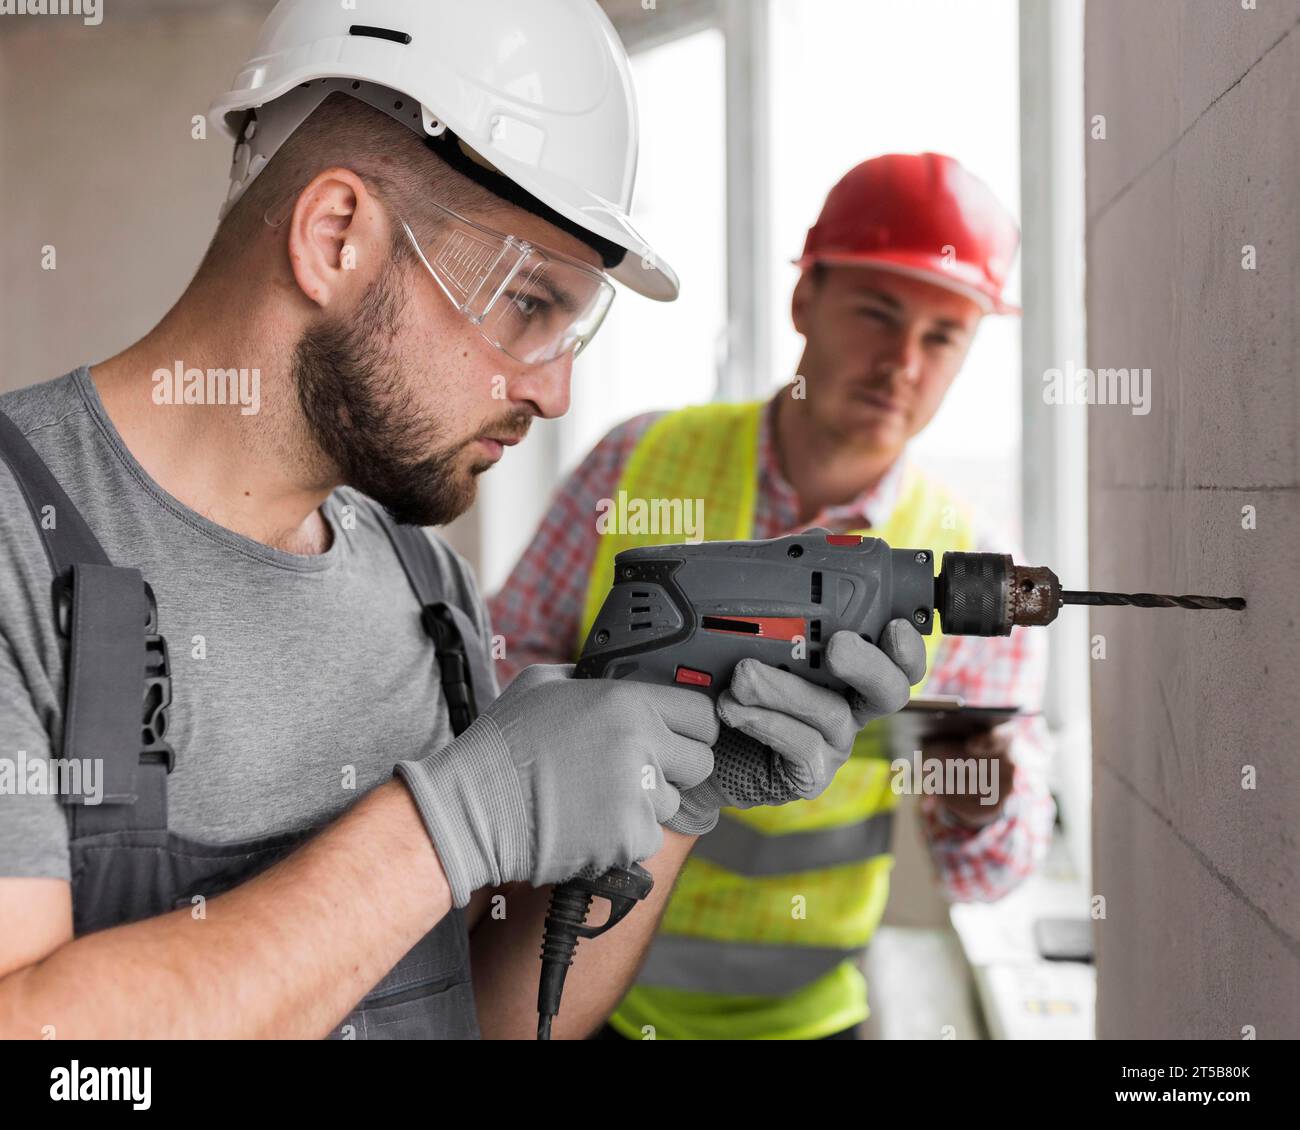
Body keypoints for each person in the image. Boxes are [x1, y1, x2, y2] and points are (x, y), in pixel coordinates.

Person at [0, 1, 924, 1040]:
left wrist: (675, 792)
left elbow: (483, 1009)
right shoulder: (15, 548)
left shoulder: (425, 589)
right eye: (529, 303)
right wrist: (448, 823)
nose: (556, 391)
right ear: (336, 236)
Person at [491, 152, 1057, 1041]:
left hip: (813, 1020)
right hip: (583, 980)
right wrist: (604, 727)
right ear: (805, 303)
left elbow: (988, 875)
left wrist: (980, 794)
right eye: (877, 313)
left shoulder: (972, 569)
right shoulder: (634, 463)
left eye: (944, 335)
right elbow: (489, 679)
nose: (902, 362)